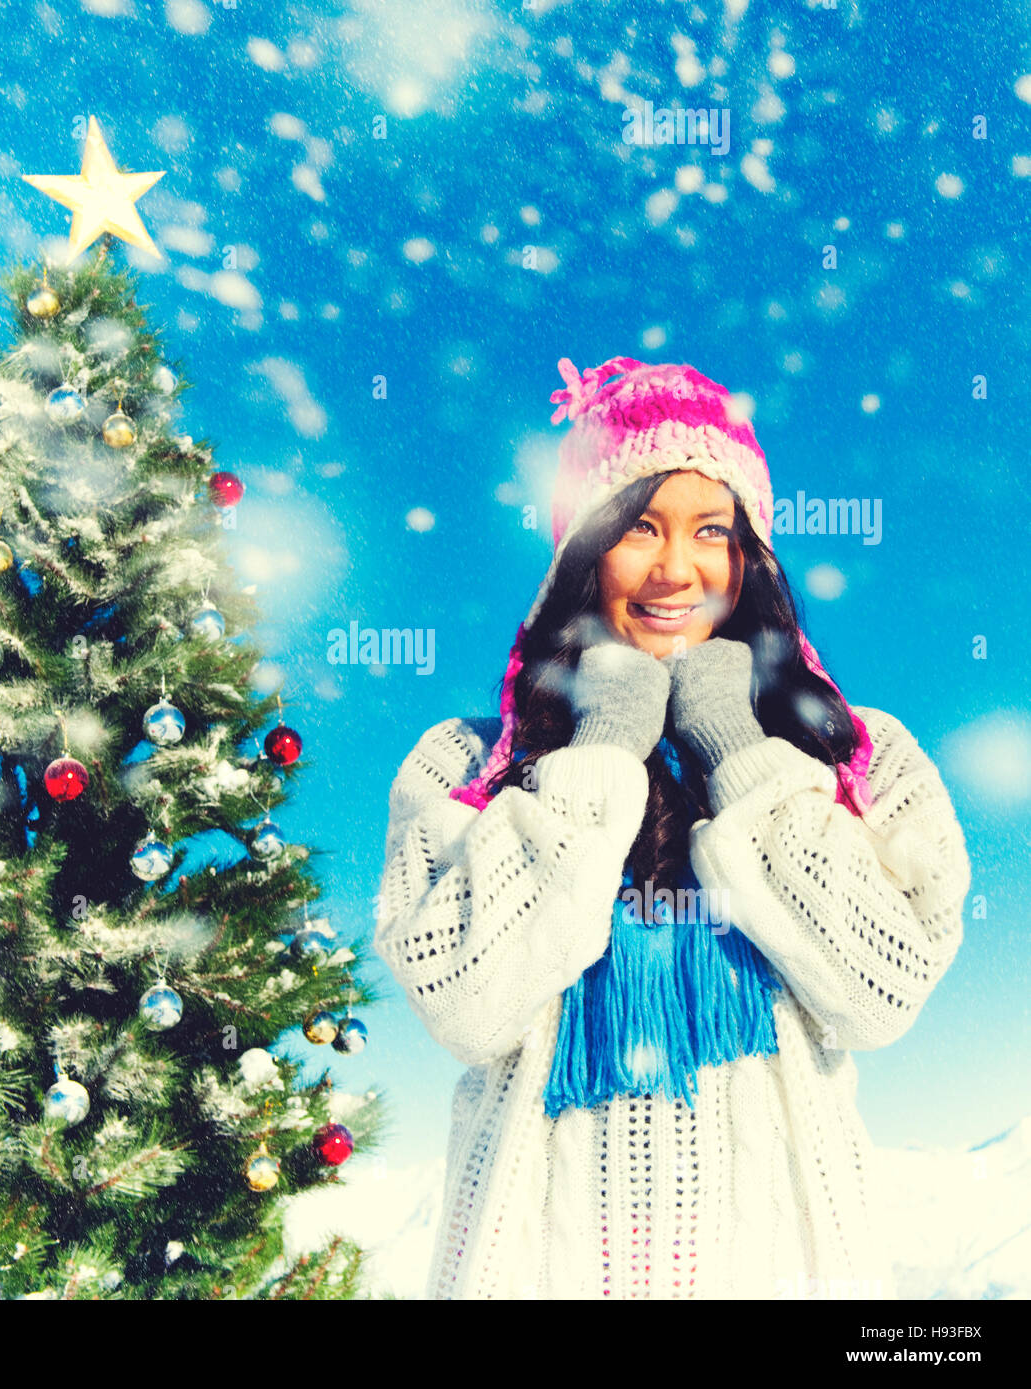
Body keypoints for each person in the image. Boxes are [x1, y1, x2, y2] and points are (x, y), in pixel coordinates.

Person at [374, 356, 970, 1300]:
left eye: (712, 532)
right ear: (582, 552)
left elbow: (877, 994)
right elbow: (467, 1004)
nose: (676, 570)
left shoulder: (857, 756)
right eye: (640, 528)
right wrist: (603, 746)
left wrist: (736, 747)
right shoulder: (466, 765)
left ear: (750, 556)